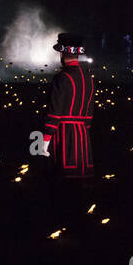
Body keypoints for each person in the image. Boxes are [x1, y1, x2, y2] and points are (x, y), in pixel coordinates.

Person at [42, 33, 95, 180]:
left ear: (62, 53)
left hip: (63, 135)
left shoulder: (62, 78)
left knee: (61, 182)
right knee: (81, 182)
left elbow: (54, 112)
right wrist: (83, 132)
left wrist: (46, 139)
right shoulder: (89, 79)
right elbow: (89, 115)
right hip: (83, 136)